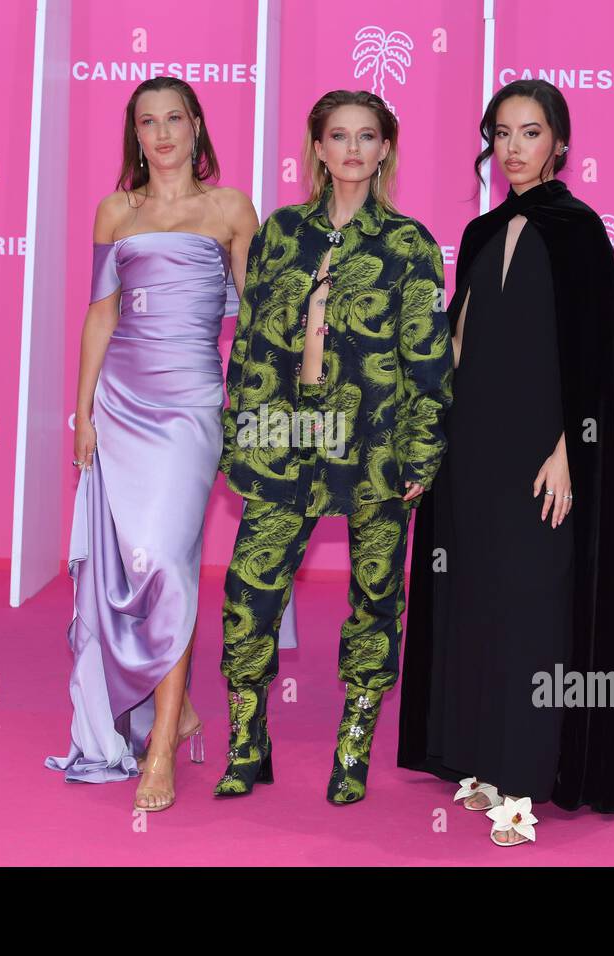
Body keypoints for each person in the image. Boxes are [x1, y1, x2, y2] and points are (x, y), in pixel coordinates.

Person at [45, 77, 297, 813]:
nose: (161, 134)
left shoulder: (230, 209)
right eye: (147, 122)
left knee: (166, 567)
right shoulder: (115, 211)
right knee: (132, 568)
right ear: (136, 133)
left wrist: (274, 407)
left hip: (191, 407)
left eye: (174, 120)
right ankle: (177, 711)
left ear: (196, 127)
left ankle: (159, 748)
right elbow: (100, 315)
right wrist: (83, 410)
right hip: (121, 404)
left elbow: (256, 322)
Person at [397, 79, 614, 845]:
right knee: (476, 604)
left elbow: (594, 359)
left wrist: (570, 450)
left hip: (541, 451)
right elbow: (459, 342)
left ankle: (524, 788)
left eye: (531, 133)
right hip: (473, 447)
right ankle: (483, 759)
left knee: (532, 610)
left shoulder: (580, 231)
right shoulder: (486, 230)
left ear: (559, 142)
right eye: (502, 133)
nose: (514, 148)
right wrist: (429, 435)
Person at [215, 90, 453, 804]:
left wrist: (423, 451)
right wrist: (243, 437)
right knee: (248, 592)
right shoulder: (282, 232)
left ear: (385, 150)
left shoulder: (409, 243)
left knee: (376, 596)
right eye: (338, 136)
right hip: (287, 434)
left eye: (367, 137)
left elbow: (430, 359)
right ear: (316, 148)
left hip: (376, 438)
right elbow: (252, 344)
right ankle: (248, 739)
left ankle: (353, 747)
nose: (352, 149)